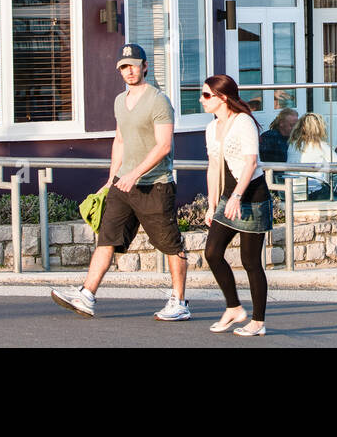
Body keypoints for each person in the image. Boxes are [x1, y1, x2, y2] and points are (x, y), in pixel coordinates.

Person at [52, 43, 189, 321]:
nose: (128, 71)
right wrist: (111, 179)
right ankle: (87, 295)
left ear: (145, 66)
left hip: (155, 185)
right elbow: (120, 140)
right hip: (122, 185)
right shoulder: (119, 101)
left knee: (171, 244)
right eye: (123, 67)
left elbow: (163, 146)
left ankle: (179, 302)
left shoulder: (158, 100)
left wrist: (134, 174)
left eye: (133, 65)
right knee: (107, 238)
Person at [201, 74, 273, 335]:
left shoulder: (243, 122)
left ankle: (258, 321)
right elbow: (213, 167)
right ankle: (233, 308)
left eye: (207, 95)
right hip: (227, 197)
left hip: (251, 196)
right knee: (212, 252)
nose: (202, 100)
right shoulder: (212, 127)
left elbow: (251, 162)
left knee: (250, 261)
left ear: (222, 97)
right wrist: (211, 205)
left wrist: (237, 196)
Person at [286, 111, 333, 201]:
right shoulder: (320, 145)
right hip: (313, 192)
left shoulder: (292, 144)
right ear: (320, 128)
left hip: (293, 191)